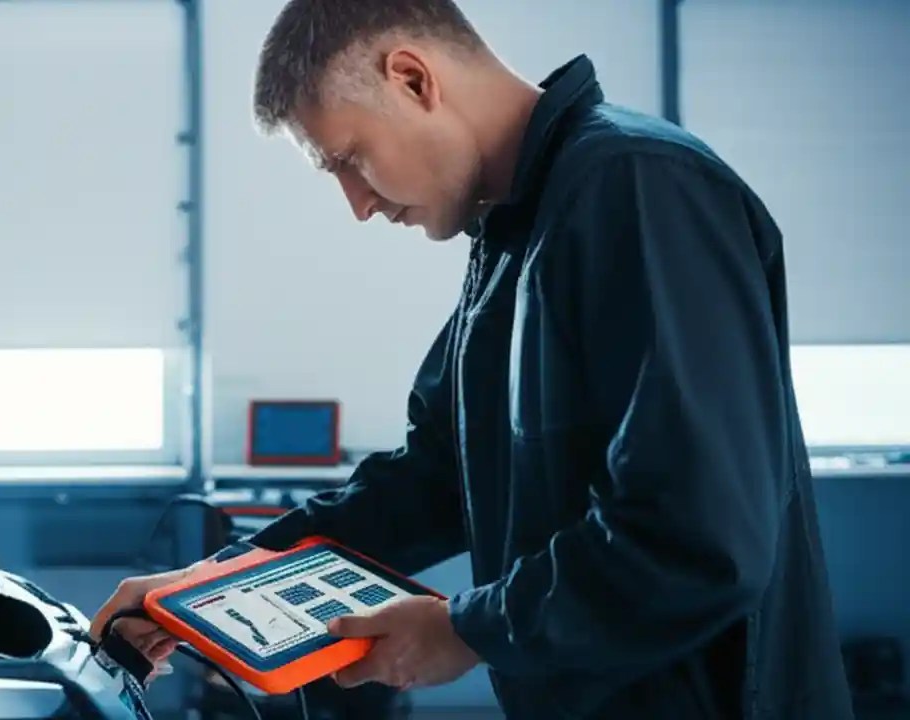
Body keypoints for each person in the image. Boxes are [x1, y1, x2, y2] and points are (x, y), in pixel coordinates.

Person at [93, 1, 854, 717]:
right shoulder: (515, 232)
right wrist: (211, 584)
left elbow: (699, 538)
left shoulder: (638, 185)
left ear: (413, 79)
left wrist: (463, 630)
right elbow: (434, 484)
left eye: (351, 159)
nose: (358, 204)